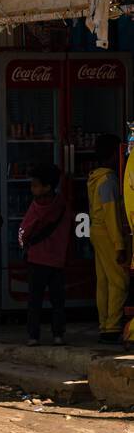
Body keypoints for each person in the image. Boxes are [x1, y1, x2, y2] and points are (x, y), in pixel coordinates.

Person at [18, 162, 71, 347]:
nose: (32, 188)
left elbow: (24, 230)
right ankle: (58, 335)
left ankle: (33, 336)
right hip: (57, 260)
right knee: (58, 301)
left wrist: (22, 244)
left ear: (47, 186)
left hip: (37, 259)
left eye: (35, 185)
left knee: (35, 301)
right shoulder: (63, 205)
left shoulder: (36, 207)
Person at [88, 133, 127, 343]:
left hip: (96, 231)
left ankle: (104, 324)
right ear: (114, 154)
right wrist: (119, 245)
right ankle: (112, 326)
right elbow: (112, 215)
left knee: (102, 281)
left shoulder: (94, 177)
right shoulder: (109, 180)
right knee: (119, 281)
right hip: (107, 233)